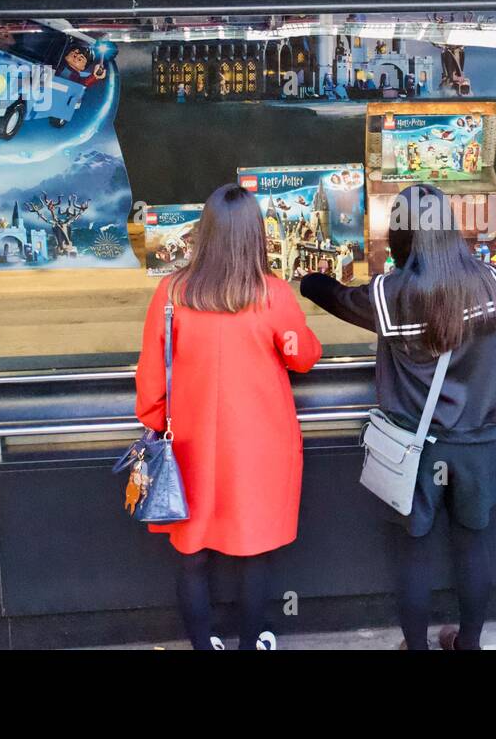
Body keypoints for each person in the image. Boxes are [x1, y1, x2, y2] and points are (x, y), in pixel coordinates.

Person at [301, 184, 496, 650]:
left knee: (413, 554)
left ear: (397, 235)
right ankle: (470, 643)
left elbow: (335, 296)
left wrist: (307, 278)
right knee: (472, 546)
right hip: (478, 445)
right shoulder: (491, 282)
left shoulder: (390, 293)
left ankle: (416, 647)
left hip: (414, 451)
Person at [135, 183, 321, 650]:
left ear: (205, 233)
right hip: (260, 448)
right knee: (255, 552)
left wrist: (159, 422)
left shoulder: (171, 293)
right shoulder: (271, 294)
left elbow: (151, 379)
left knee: (192, 555)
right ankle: (250, 643)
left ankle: (203, 644)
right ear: (255, 236)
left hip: (190, 446)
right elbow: (302, 357)